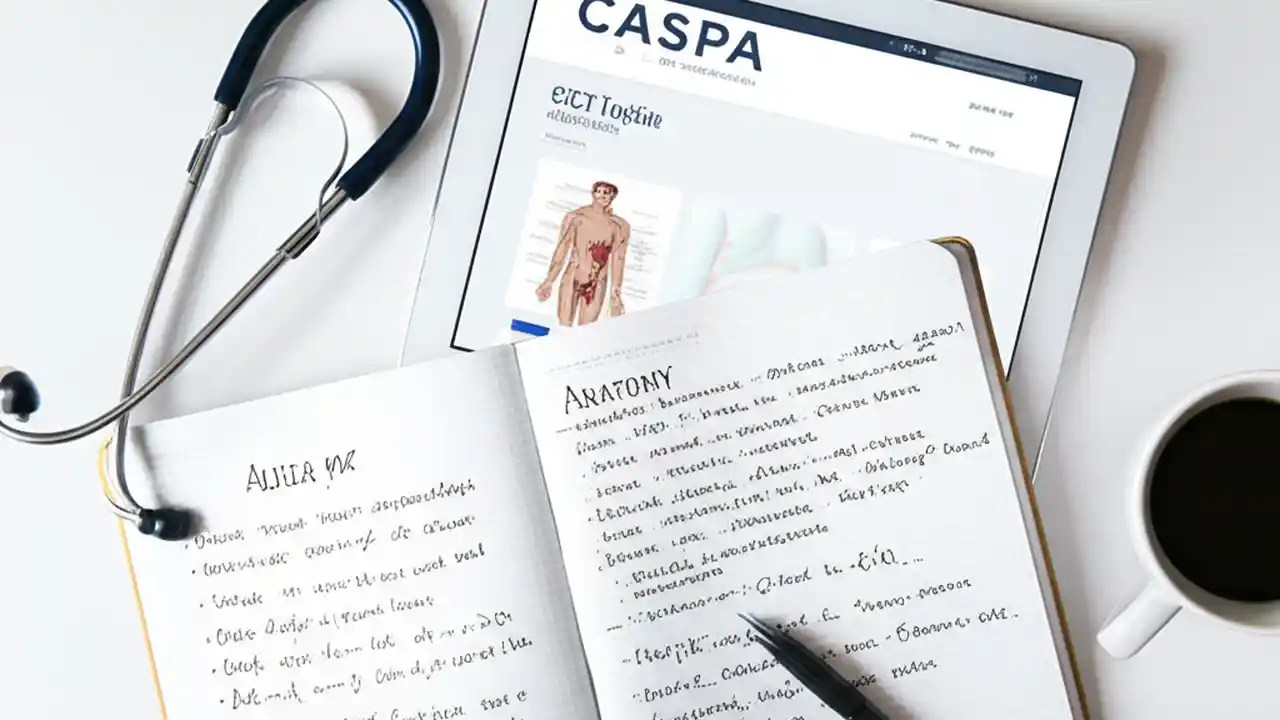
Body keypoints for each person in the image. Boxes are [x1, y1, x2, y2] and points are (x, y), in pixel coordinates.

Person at [536, 180, 631, 326]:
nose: (603, 196)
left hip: (597, 281)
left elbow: (618, 258)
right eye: (600, 191)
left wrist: (615, 292)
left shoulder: (619, 226)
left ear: (613, 196)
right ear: (593, 193)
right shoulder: (575, 217)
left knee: (586, 330)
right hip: (573, 276)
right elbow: (562, 249)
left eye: (607, 193)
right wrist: (549, 281)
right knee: (564, 326)